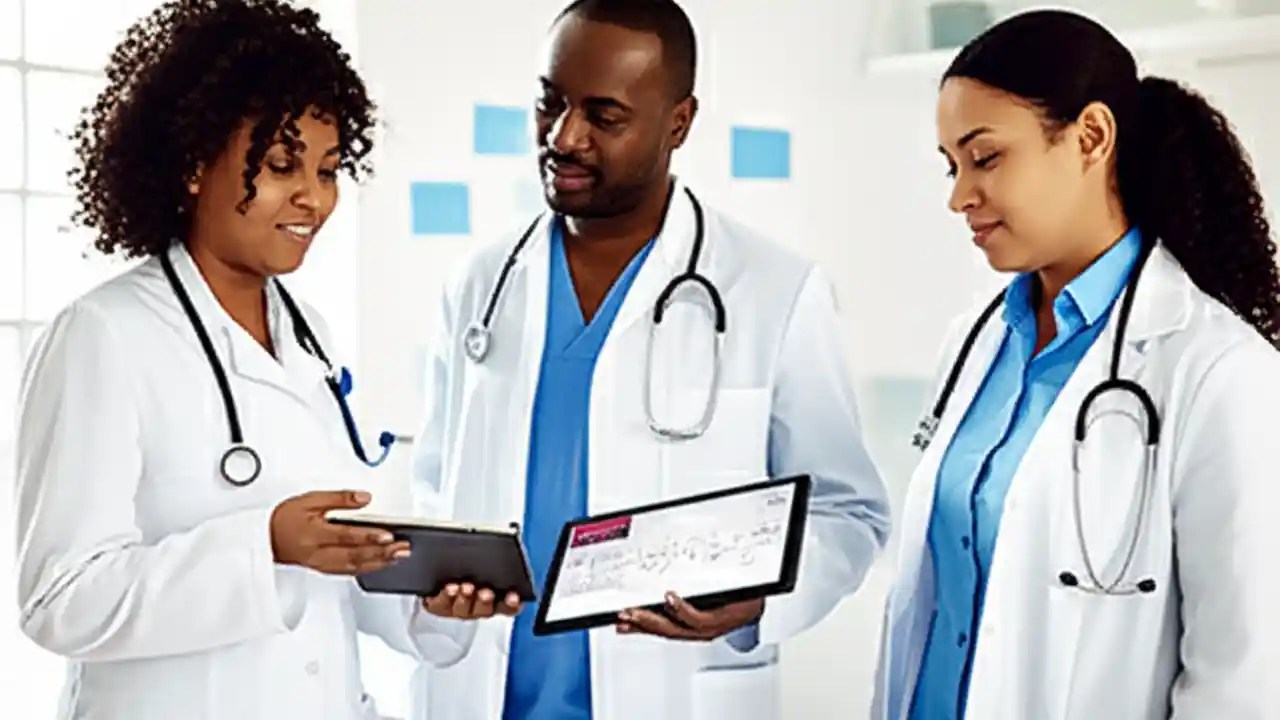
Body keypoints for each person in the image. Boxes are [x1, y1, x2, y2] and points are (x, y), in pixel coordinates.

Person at [12, 2, 511, 718]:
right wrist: (262, 548)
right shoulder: (102, 335)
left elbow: (329, 576)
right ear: (192, 164)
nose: (314, 197)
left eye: (330, 169)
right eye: (281, 165)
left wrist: (430, 604)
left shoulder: (311, 335)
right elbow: (59, 599)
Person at [406, 1, 891, 719]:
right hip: (486, 690)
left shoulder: (774, 290)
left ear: (678, 123)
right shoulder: (480, 282)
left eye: (603, 117)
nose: (564, 137)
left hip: (675, 690)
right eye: (551, 103)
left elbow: (850, 511)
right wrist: (438, 585)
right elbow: (435, 489)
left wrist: (765, 596)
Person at [872, 9, 1280, 720]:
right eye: (952, 165)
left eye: (986, 157)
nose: (958, 195)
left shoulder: (1217, 371)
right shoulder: (974, 342)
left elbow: (1240, 682)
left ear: (1090, 137)